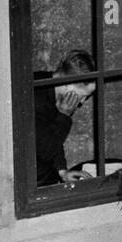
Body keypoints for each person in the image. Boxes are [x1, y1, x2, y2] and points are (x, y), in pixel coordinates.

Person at [35, 49, 96, 185]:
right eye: (83, 95)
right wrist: (64, 115)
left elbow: (53, 133)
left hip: (47, 174)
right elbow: (46, 150)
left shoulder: (51, 85)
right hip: (34, 184)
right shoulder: (36, 98)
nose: (81, 102)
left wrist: (62, 171)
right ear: (68, 84)